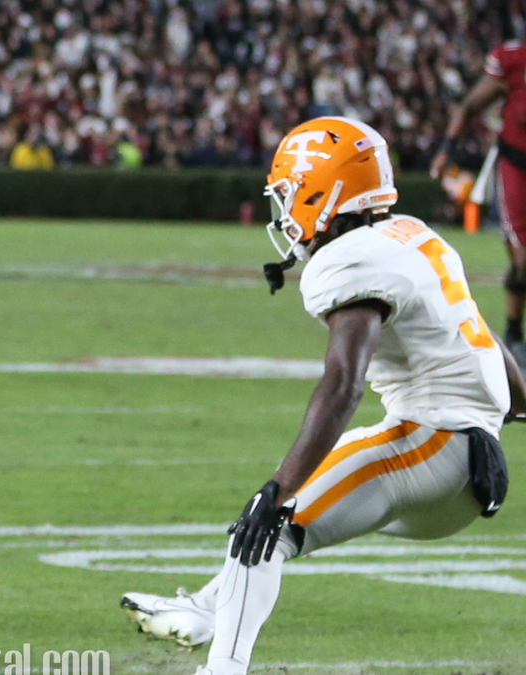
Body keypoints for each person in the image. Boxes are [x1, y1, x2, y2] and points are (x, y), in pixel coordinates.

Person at [122, 116, 524, 675]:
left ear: (325, 189)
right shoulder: (412, 234)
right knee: (302, 508)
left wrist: (277, 486)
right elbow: (484, 338)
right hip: (470, 467)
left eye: (289, 192)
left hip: (431, 449)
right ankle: (207, 610)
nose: (284, 209)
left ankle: (223, 667)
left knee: (267, 524)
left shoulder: (351, 260)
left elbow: (343, 385)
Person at [431, 40, 526, 367]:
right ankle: (514, 334)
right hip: (518, 165)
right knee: (523, 258)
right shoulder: (513, 59)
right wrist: (448, 148)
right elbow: (471, 104)